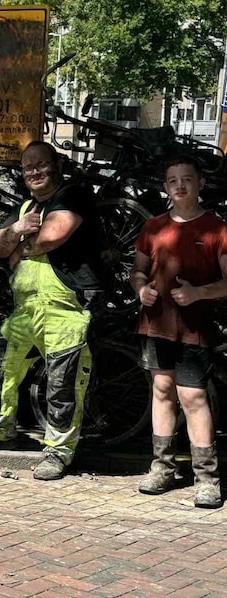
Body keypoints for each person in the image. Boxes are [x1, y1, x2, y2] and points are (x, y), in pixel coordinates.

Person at [0, 141, 111, 481]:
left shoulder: (73, 196)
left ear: (57, 165)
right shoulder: (26, 206)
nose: (35, 172)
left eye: (41, 164)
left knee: (62, 385)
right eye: (28, 167)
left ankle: (57, 452)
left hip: (67, 310)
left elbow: (54, 234)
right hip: (25, 311)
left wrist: (20, 248)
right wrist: (14, 230)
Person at [130, 158, 227, 508]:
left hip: (195, 327)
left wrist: (200, 293)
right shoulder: (153, 226)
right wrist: (141, 290)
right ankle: (162, 467)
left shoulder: (216, 229)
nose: (180, 186)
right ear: (165, 186)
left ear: (201, 183)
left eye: (187, 179)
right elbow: (137, 271)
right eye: (173, 180)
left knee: (193, 397)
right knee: (161, 389)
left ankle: (206, 477)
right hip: (157, 323)